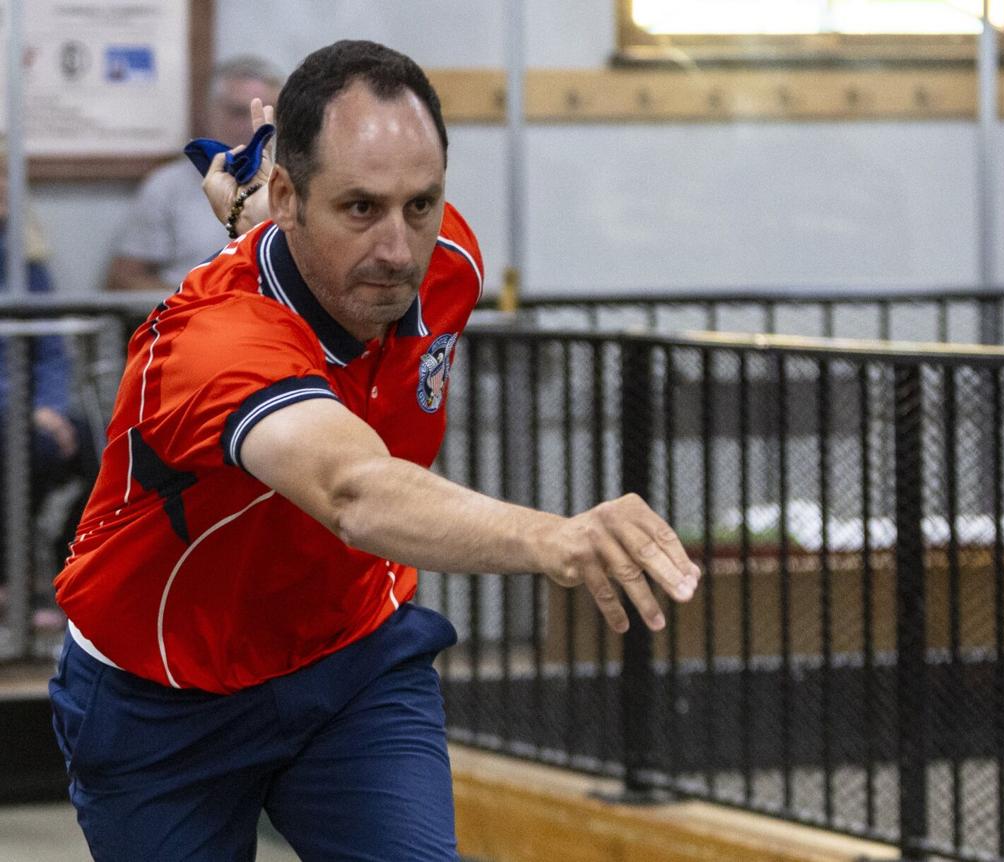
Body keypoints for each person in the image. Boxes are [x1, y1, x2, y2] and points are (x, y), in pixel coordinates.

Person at [49, 40, 700, 861]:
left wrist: (263, 208)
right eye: (359, 208)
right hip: (164, 689)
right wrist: (552, 537)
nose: (399, 249)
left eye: (420, 204)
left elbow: (353, 238)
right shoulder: (209, 344)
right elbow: (352, 489)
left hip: (351, 655)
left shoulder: (443, 257)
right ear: (292, 196)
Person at [0, 150, 96, 622]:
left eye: (3, 175)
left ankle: (65, 568)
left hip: (33, 409)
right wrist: (22, 409)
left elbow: (52, 351)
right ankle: (11, 576)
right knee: (20, 445)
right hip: (11, 411)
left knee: (107, 447)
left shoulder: (24, 259)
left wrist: (50, 406)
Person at [104, 55, 282, 294]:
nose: (252, 128)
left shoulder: (292, 184)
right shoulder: (167, 186)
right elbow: (123, 280)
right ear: (208, 113)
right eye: (239, 113)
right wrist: (195, 300)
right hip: (192, 316)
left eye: (265, 118)